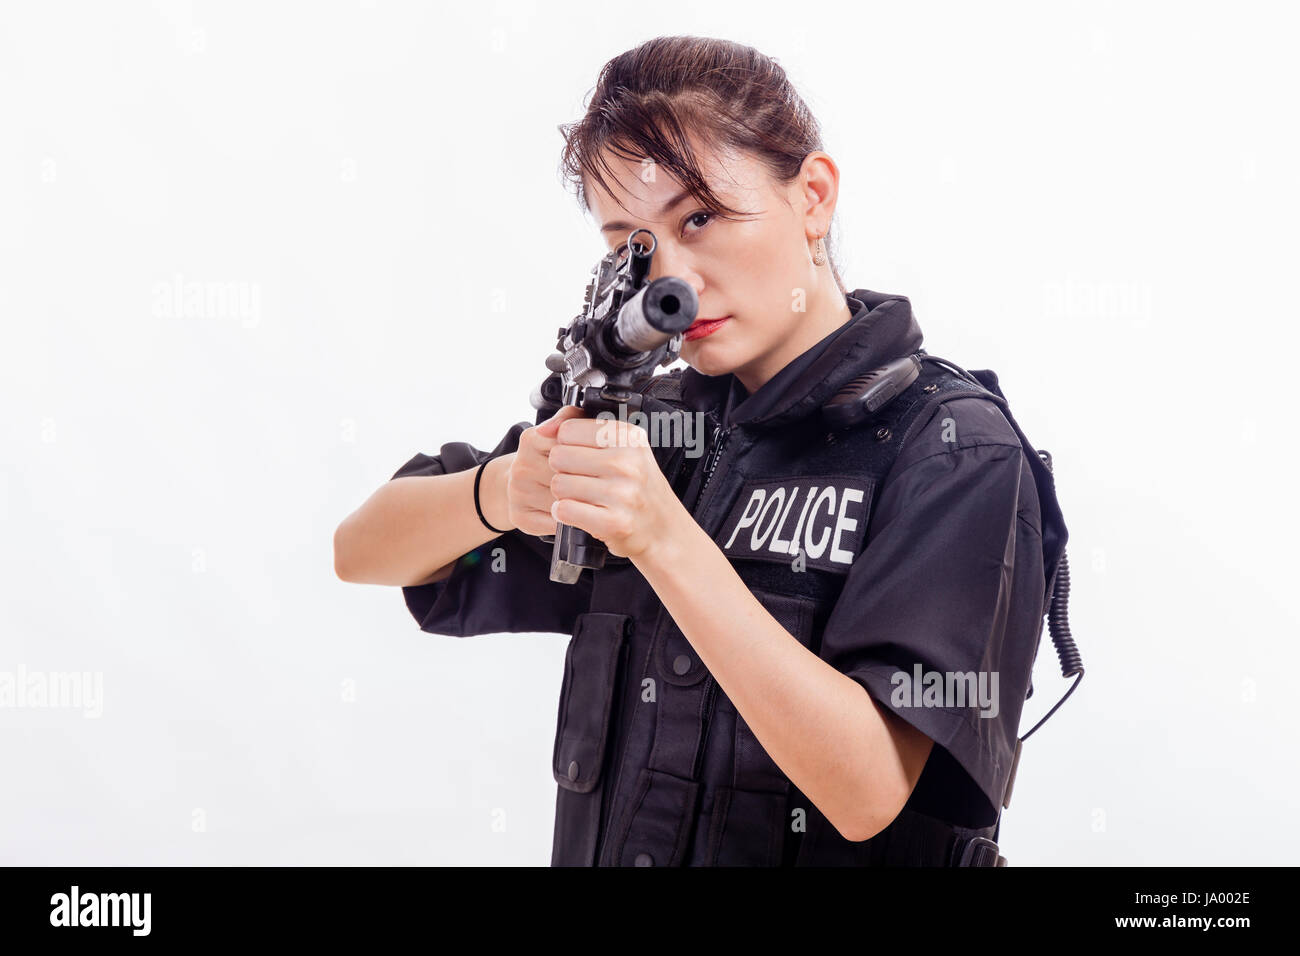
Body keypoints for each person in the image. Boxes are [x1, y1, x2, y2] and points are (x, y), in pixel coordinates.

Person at [334, 35, 1068, 866]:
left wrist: (662, 539)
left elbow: (868, 792)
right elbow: (360, 549)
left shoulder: (951, 450)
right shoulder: (650, 428)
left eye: (701, 217)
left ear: (813, 197)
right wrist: (503, 492)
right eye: (631, 245)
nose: (669, 277)